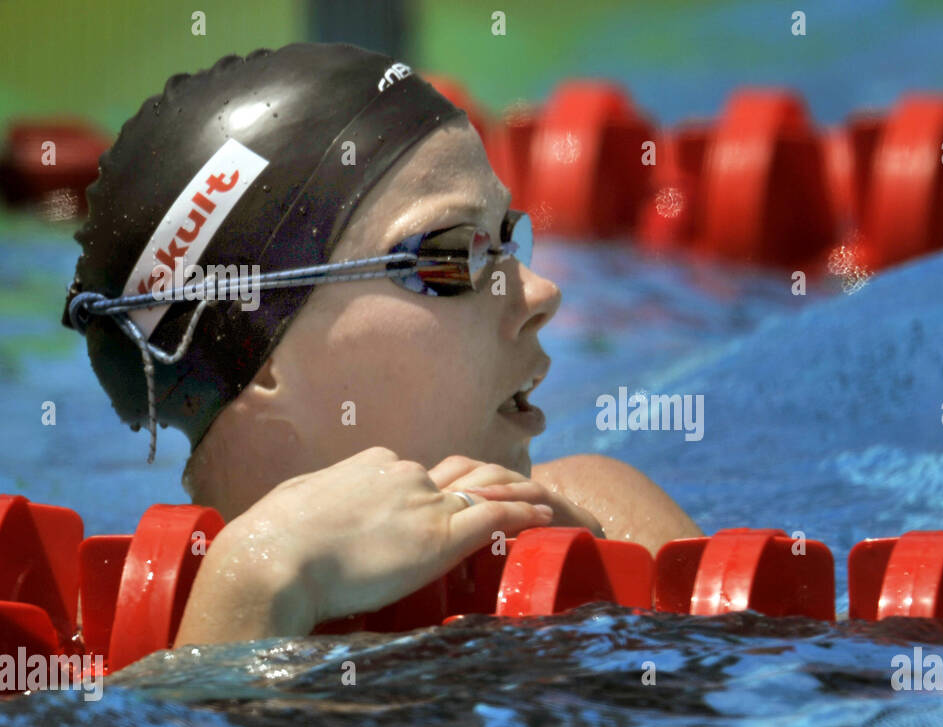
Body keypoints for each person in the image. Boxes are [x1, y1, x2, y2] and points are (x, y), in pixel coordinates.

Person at [62, 43, 701, 647]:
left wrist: (606, 609)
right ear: (260, 357)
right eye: (453, 255)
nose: (541, 293)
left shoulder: (597, 513)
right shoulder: (73, 640)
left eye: (509, 238)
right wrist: (256, 586)